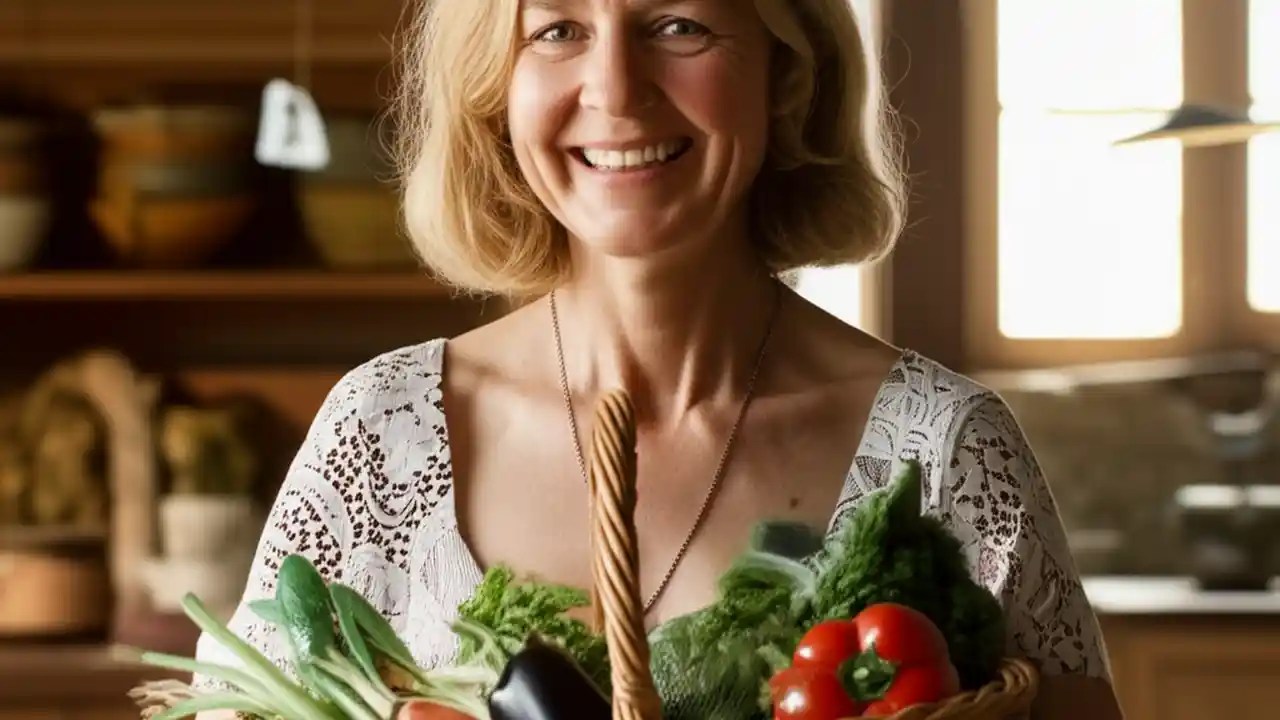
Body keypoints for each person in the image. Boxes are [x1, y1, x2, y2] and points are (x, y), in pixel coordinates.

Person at [195, 1, 1125, 718]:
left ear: (788, 74)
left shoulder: (947, 449)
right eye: (557, 28)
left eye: (679, 25)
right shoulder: (380, 431)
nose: (615, 89)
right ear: (495, 89)